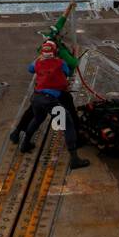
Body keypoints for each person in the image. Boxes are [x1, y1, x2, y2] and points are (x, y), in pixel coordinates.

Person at [10, 40, 90, 169]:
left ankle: (25, 144)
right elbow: (69, 71)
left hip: (36, 98)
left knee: (37, 119)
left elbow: (30, 69)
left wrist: (41, 58)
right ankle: (74, 159)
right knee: (67, 124)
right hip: (50, 101)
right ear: (55, 51)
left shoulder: (37, 62)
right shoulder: (60, 63)